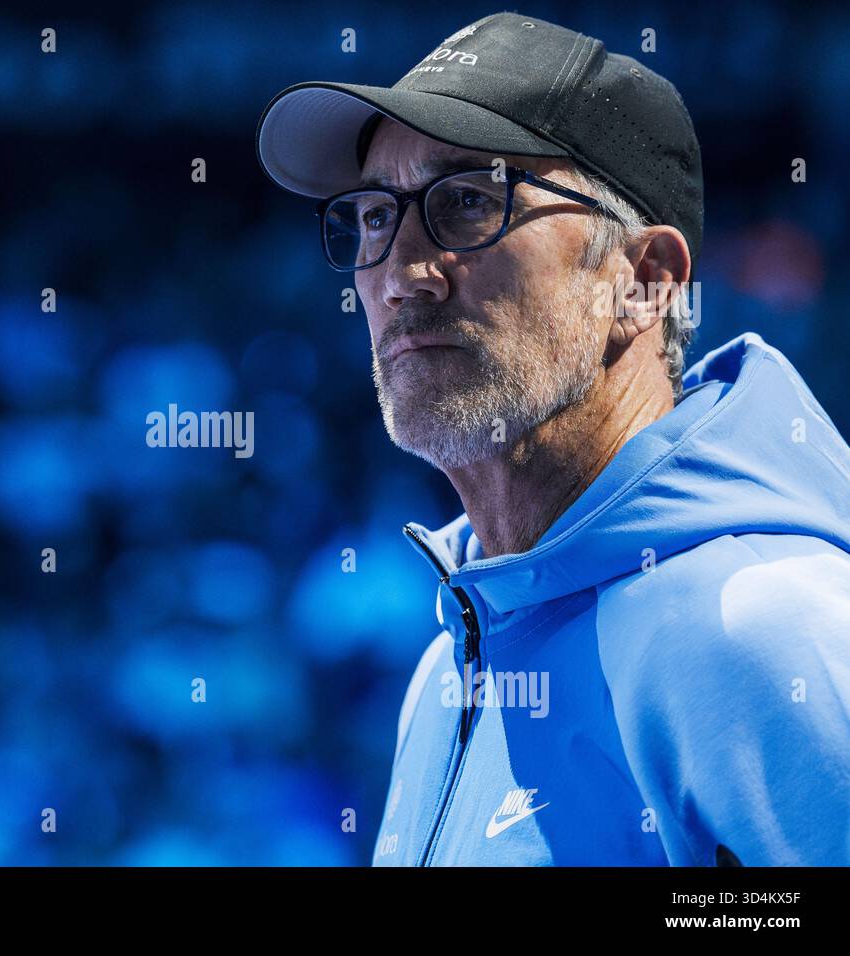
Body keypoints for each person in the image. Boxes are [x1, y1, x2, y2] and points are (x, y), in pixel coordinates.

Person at [256, 11, 850, 865]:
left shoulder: (767, 627)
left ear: (645, 284)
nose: (398, 275)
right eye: (373, 215)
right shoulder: (440, 676)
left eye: (467, 202)